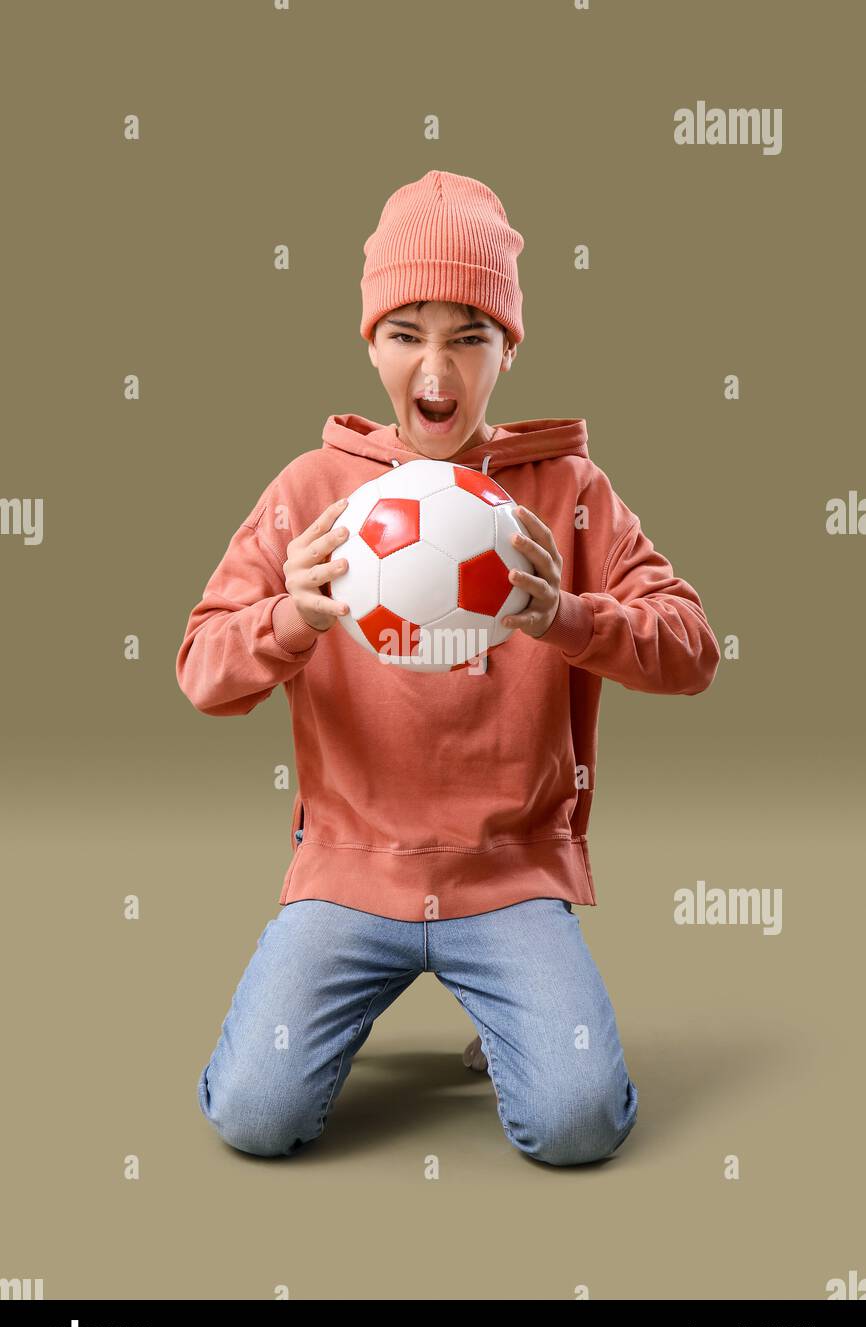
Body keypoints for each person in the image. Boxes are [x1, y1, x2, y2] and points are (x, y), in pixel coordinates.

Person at [176, 170, 721, 1165]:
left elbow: (691, 650)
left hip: (505, 879)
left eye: (468, 334)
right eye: (405, 332)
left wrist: (566, 615)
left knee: (575, 1125)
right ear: (369, 342)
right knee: (253, 1115)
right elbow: (202, 672)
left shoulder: (567, 492)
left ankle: (503, 1005)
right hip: (347, 874)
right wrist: (290, 617)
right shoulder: (312, 492)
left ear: (508, 346)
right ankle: (343, 1006)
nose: (436, 366)